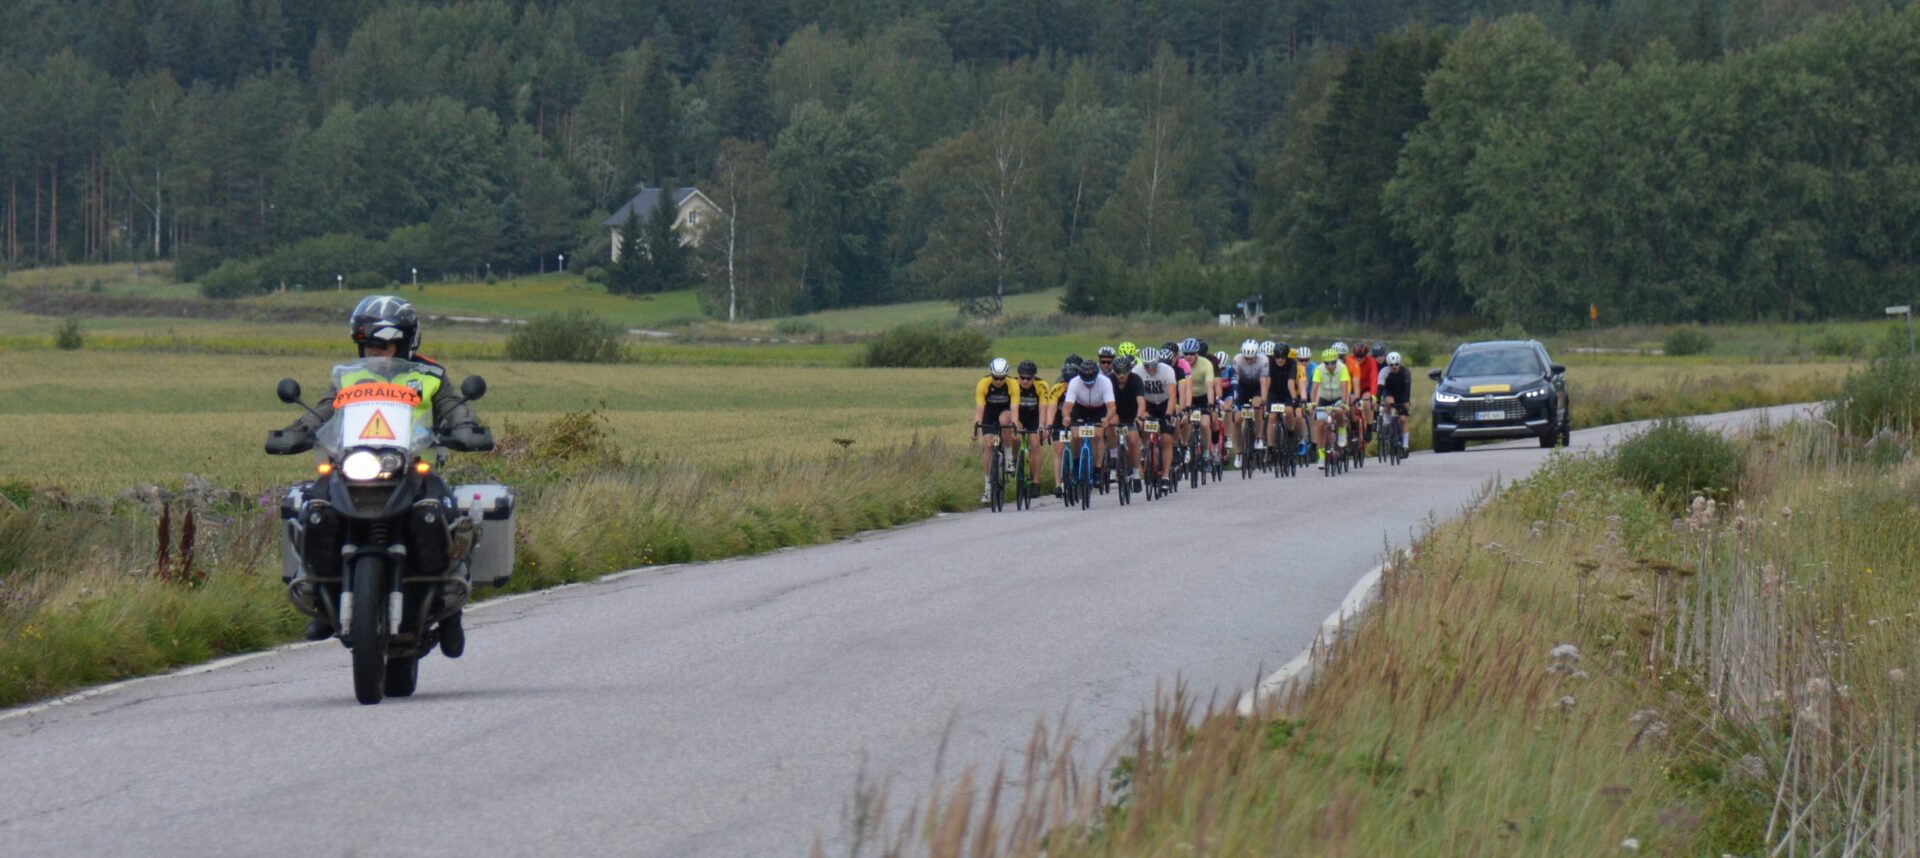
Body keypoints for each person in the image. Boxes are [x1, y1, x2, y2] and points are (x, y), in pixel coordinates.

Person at [285, 295, 483, 654]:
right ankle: (318, 588)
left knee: (443, 510)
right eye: (370, 344)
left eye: (386, 343)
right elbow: (323, 410)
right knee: (315, 506)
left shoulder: (431, 376)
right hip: (352, 464)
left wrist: (467, 428)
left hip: (411, 467)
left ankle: (451, 602)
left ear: (406, 341)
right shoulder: (347, 376)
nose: (377, 351)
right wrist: (296, 430)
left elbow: (455, 409)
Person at [1058, 359, 1117, 483]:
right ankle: (1075, 464)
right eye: (1085, 382)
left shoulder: (1105, 382)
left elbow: (1111, 406)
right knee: (1075, 435)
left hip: (1099, 408)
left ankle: (1097, 469)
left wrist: (1107, 419)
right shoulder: (1075, 382)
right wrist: (1066, 417)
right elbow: (1067, 406)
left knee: (1098, 435)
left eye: (1091, 382)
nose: (1088, 385)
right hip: (1080, 408)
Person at [1134, 347, 1180, 490]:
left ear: (1158, 362)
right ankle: (1146, 451)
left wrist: (1168, 414)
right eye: (1146, 365)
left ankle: (1165, 475)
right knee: (1144, 428)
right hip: (1148, 404)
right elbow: (1137, 398)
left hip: (1165, 404)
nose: (1150, 368)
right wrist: (1140, 416)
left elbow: (1173, 396)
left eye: (1153, 365)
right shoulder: (1137, 372)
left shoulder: (1167, 371)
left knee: (1167, 440)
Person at [974, 357, 1018, 503]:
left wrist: (1015, 424)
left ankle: (1008, 457)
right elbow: (980, 408)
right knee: (989, 446)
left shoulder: (1012, 384)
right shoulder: (983, 384)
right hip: (989, 413)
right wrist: (976, 427)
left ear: (1006, 375)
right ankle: (987, 488)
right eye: (995, 378)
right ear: (990, 374)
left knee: (1004, 421)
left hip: (1005, 411)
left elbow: (1014, 408)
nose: (999, 381)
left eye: (1002, 378)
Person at [1308, 348, 1354, 465]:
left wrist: (1344, 402)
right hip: (1324, 399)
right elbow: (1314, 388)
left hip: (1339, 397)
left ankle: (1342, 431)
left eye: (1332, 362)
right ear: (1323, 363)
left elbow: (1344, 387)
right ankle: (1322, 457)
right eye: (1327, 363)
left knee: (1339, 412)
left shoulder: (1342, 368)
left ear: (1336, 361)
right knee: (1320, 424)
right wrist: (1313, 402)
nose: (1330, 365)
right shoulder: (1319, 369)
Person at [1228, 340, 1270, 467]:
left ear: (1256, 355)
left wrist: (1263, 400)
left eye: (1252, 359)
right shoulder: (1237, 359)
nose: (1249, 361)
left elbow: (1264, 383)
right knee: (1237, 419)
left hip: (1257, 386)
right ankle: (1239, 453)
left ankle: (1259, 438)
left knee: (1258, 405)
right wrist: (1235, 398)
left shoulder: (1264, 360)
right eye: (1247, 358)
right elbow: (1236, 380)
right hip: (1243, 387)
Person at [1012, 360, 1049, 490]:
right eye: (1022, 377)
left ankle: (1036, 482)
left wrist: (1042, 426)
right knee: (1015, 437)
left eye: (1029, 378)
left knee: (1035, 444)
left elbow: (1044, 408)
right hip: (1020, 415)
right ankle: (1015, 460)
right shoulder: (1013, 384)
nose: (1025, 381)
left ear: (1034, 377)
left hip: (1034, 416)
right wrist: (1014, 425)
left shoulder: (1041, 385)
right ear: (1018, 376)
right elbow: (1013, 408)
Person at [1180, 338, 1215, 459]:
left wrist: (1210, 404)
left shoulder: (1206, 364)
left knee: (1205, 424)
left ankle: (1205, 451)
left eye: (1191, 354)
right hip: (1186, 397)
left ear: (1197, 354)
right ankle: (1185, 447)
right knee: (1185, 421)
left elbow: (1210, 387)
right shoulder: (1181, 364)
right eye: (1185, 354)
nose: (1188, 357)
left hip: (1203, 397)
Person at [1378, 351, 1414, 453]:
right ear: (1388, 364)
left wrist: (1406, 402)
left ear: (1400, 363)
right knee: (1389, 402)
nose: (1394, 367)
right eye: (1391, 365)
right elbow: (1380, 389)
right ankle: (1387, 422)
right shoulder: (1384, 372)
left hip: (1402, 394)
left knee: (1403, 419)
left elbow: (1407, 388)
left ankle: (1405, 446)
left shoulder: (1406, 372)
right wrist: (1377, 401)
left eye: (1396, 364)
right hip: (1389, 391)